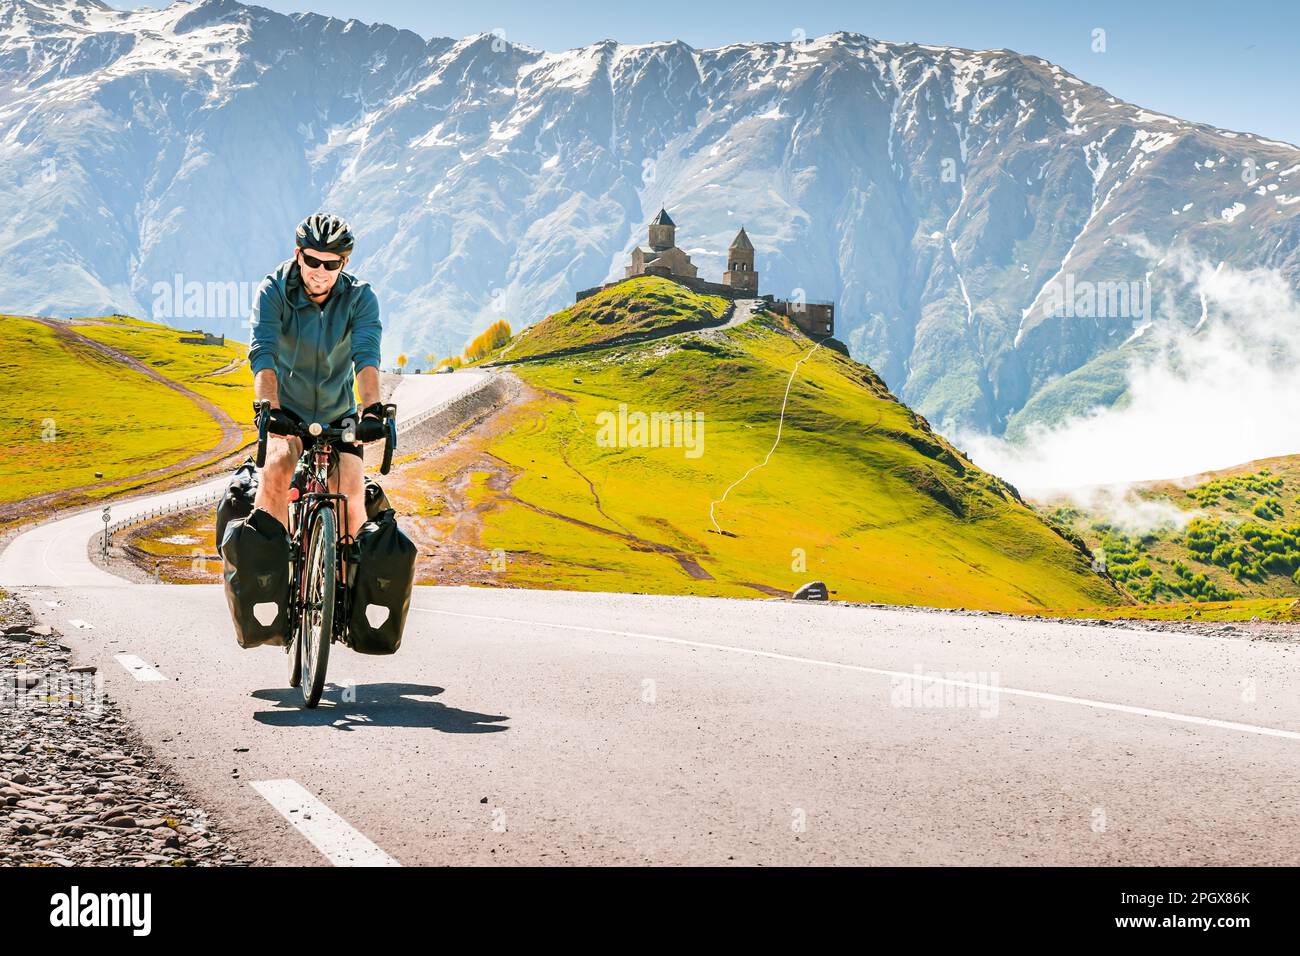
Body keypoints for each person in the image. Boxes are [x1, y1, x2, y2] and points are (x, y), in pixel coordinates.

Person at [246, 213, 389, 572]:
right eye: (312, 260)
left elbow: (366, 356)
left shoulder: (360, 297)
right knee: (276, 471)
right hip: (288, 411)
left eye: (331, 264)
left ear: (345, 263)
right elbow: (263, 352)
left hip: (338, 415)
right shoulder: (274, 290)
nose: (320, 272)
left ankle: (345, 594)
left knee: (352, 496)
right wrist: (269, 408)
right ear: (298, 254)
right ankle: (272, 575)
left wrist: (372, 410)